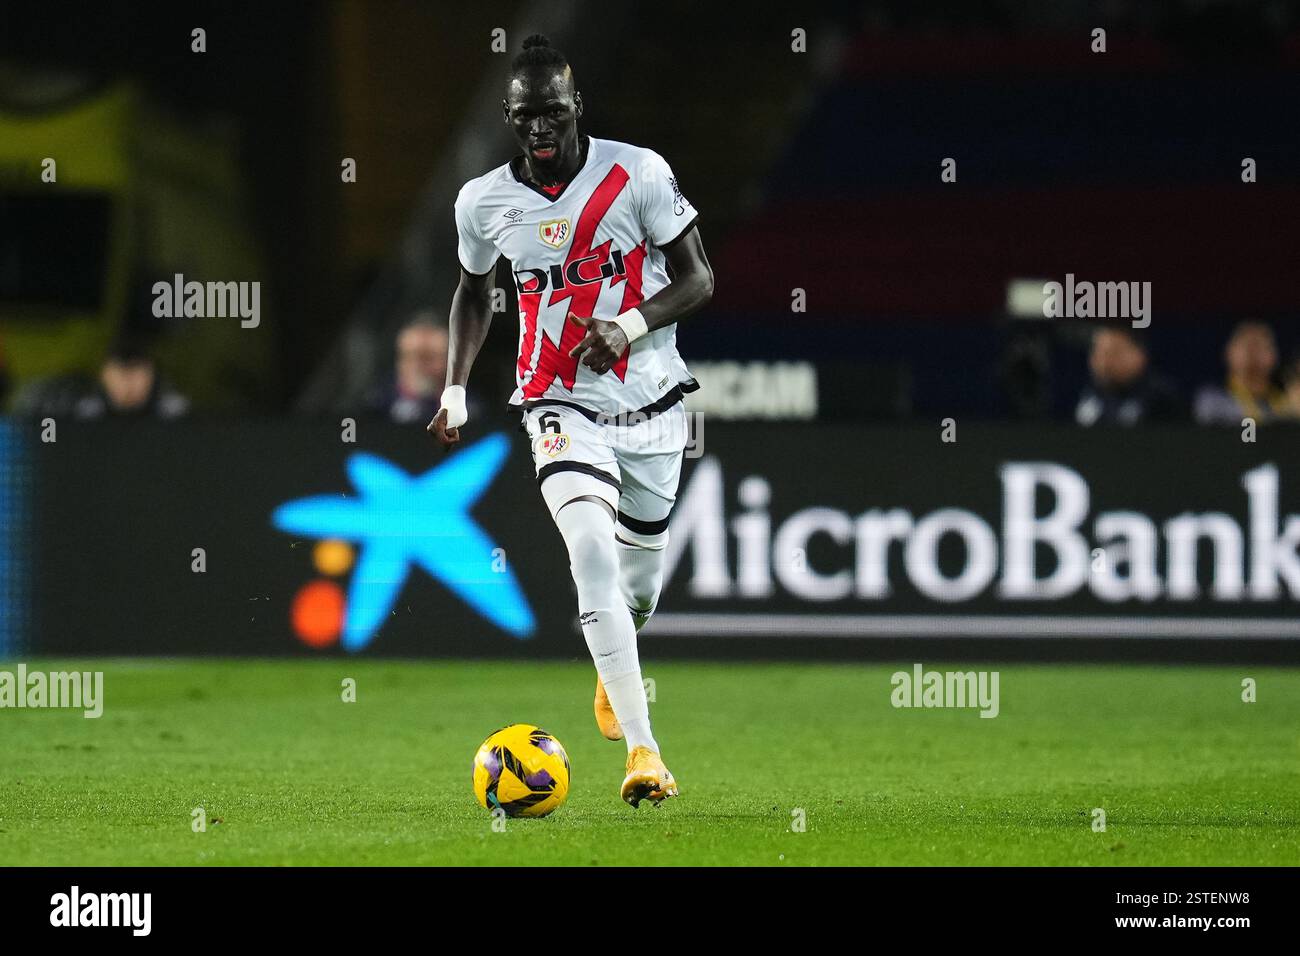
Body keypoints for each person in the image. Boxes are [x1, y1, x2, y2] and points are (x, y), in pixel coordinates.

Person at [428, 35, 714, 808]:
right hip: (557, 403)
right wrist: (455, 384)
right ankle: (646, 755)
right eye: (526, 117)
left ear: (576, 106)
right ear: (510, 117)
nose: (541, 129)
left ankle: (612, 657)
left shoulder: (638, 174)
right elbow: (471, 290)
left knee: (640, 588)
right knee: (590, 554)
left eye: (553, 112)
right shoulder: (481, 201)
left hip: (651, 403)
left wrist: (627, 323)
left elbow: (698, 279)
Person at [370, 313, 480, 425]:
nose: (418, 366)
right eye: (410, 356)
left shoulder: (469, 411)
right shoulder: (375, 407)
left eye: (428, 358)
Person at [1074, 326, 1183, 426]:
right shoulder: (1090, 394)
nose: (1103, 363)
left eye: (1113, 353)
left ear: (1139, 355)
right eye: (1098, 353)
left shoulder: (1161, 397)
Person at [1193, 321, 1287, 425]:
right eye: (1246, 344)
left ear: (1274, 356)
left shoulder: (1283, 398)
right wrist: (1287, 413)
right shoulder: (1212, 398)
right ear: (1229, 353)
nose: (1252, 351)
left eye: (1261, 345)